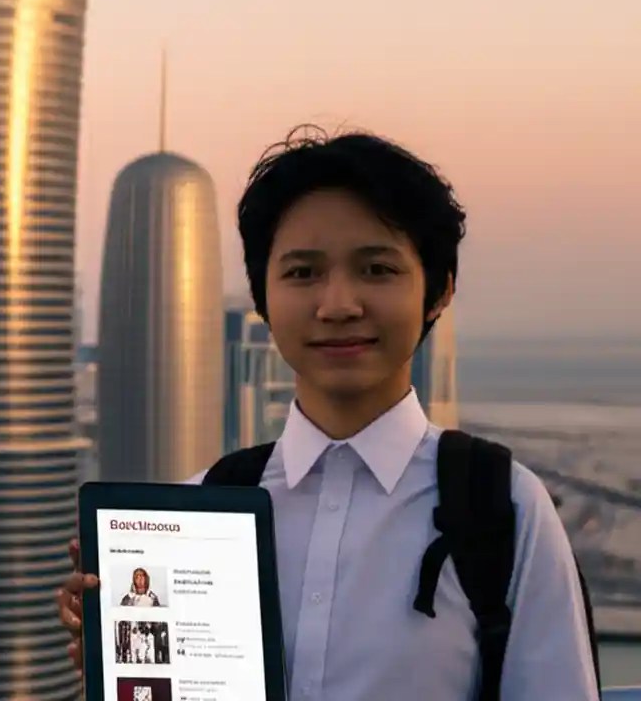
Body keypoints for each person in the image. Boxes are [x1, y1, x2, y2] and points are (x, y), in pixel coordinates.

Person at [57, 125, 599, 699]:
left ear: (439, 291)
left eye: (377, 269)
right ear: (263, 297)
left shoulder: (502, 508)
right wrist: (125, 672)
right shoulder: (196, 512)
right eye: (303, 273)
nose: (338, 305)